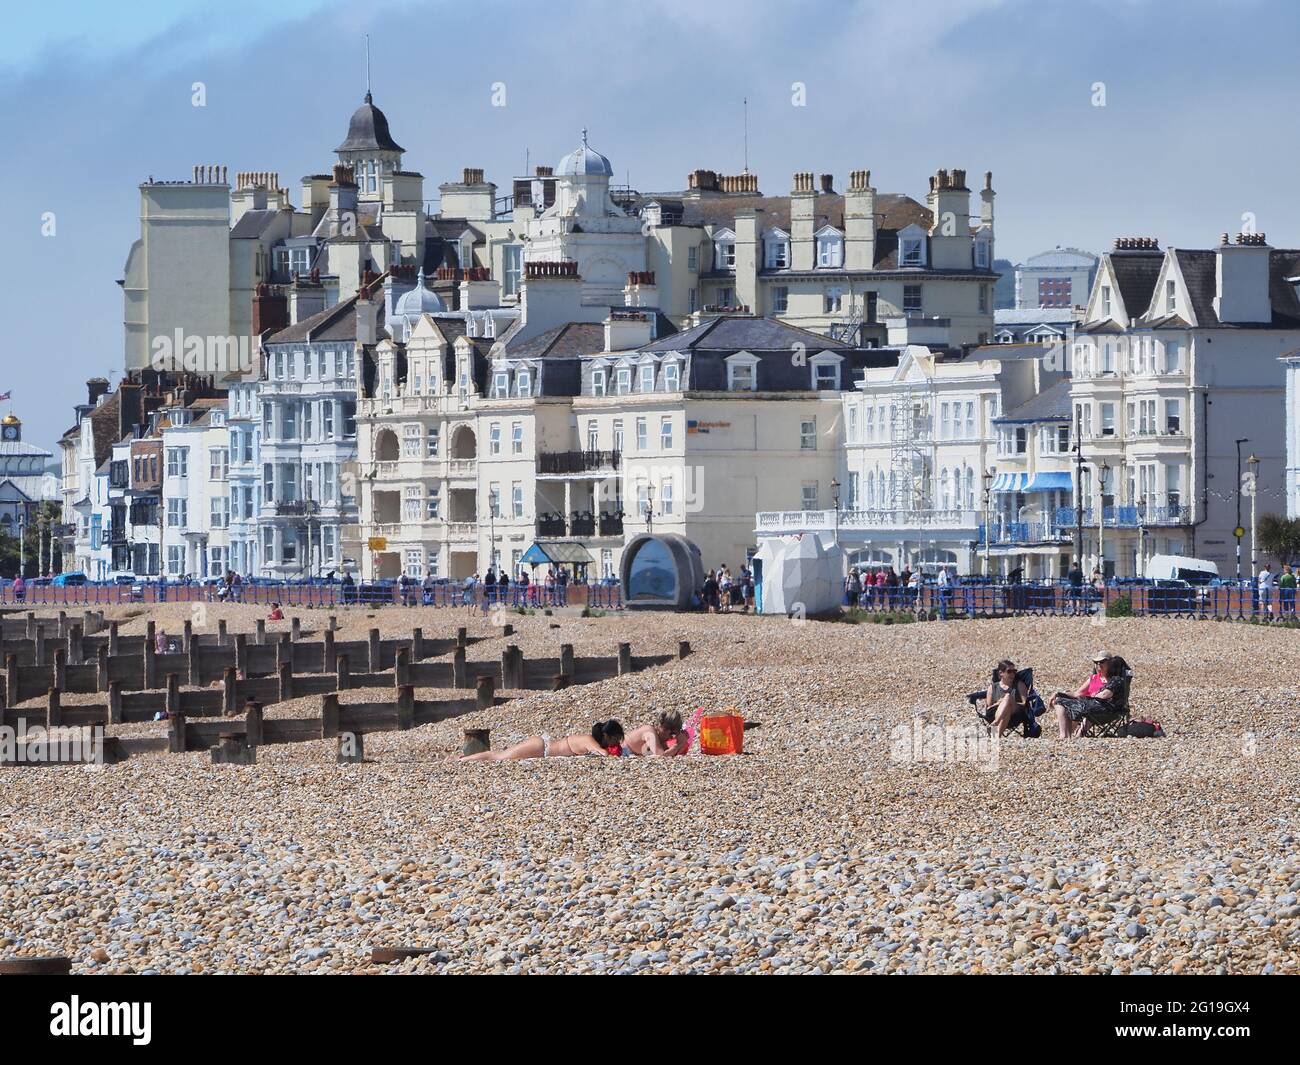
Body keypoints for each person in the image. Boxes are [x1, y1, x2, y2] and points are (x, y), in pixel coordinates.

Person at [458, 720, 625, 761]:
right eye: (616, 739)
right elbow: (602, 753)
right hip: (541, 748)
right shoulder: (588, 739)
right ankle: (462, 760)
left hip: (541, 747)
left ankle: (463, 759)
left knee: (499, 756)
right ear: (606, 736)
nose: (617, 743)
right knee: (498, 757)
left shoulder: (589, 739)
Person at [1050, 655, 1130, 739]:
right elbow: (1078, 693)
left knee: (1061, 702)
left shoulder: (1116, 680)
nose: (1098, 665)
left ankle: (1065, 735)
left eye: (1102, 662)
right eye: (1096, 663)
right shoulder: (1120, 681)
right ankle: (1071, 736)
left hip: (1102, 709)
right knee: (1069, 704)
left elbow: (1105, 695)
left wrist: (1093, 695)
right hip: (1104, 709)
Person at [978, 659, 1029, 737]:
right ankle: (996, 737)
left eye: (1014, 671)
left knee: (1008, 697)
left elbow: (1024, 703)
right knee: (1006, 708)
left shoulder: (1019, 685)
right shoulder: (993, 687)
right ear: (1001, 673)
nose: (1012, 674)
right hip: (996, 713)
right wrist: (1000, 703)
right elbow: (988, 707)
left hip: (1015, 714)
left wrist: (1009, 701)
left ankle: (995, 723)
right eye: (1009, 671)